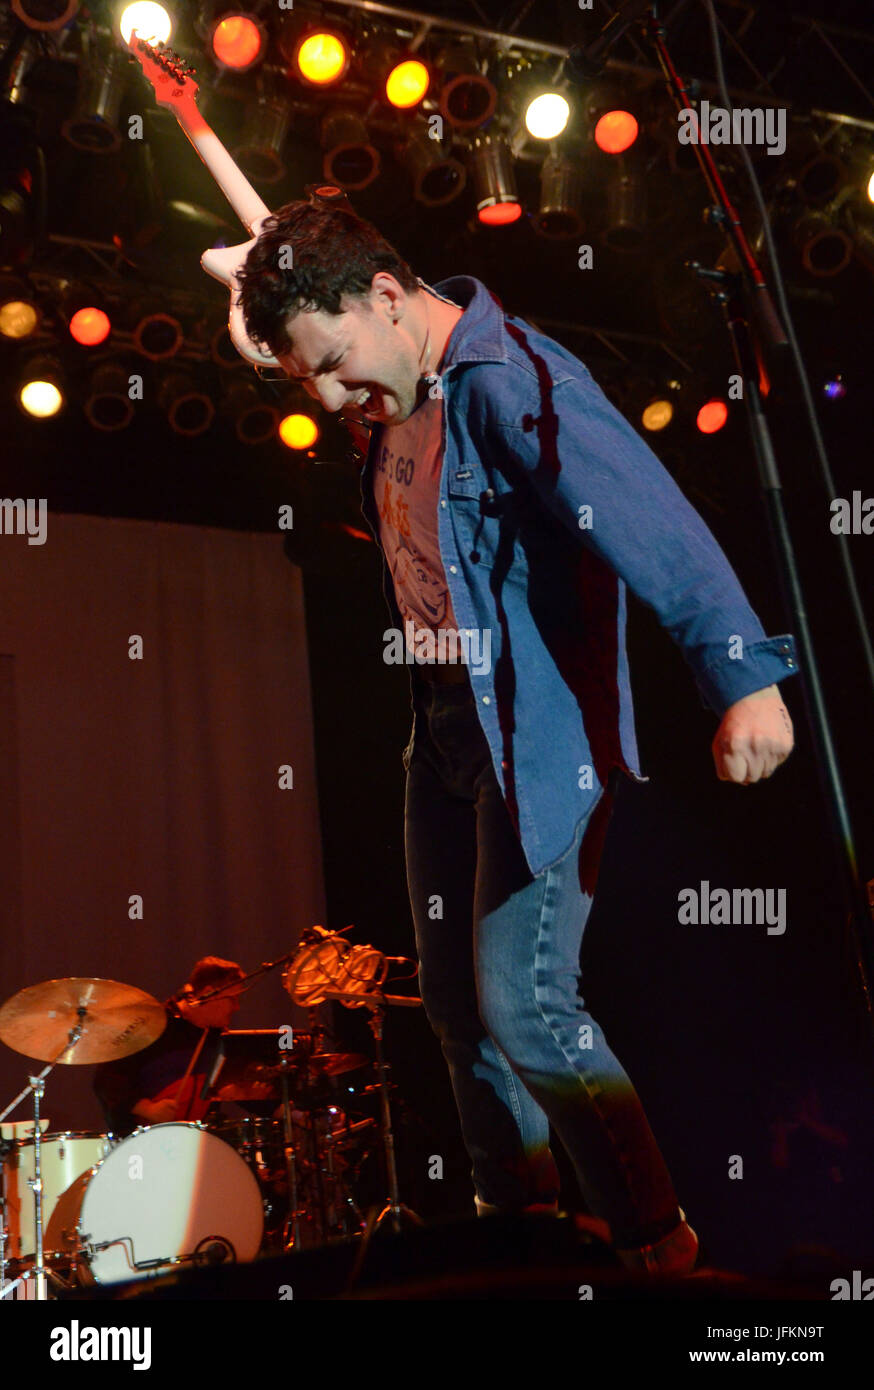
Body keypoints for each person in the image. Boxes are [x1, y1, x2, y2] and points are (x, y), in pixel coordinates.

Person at [237, 201, 798, 1275]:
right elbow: (309, 331)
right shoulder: (389, 360)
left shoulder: (508, 381)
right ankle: (522, 1239)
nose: (334, 400)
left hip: (536, 728)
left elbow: (648, 510)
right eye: (309, 378)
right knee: (455, 1009)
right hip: (443, 725)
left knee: (526, 999)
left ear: (390, 300)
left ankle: (653, 1236)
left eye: (340, 367)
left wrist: (742, 676)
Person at [93, 957, 246, 1136]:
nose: (237, 1007)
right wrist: (148, 1109)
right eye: (232, 999)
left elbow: (242, 1085)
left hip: (198, 1141)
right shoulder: (152, 1025)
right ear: (209, 992)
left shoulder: (217, 1037)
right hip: (141, 1141)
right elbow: (106, 1079)